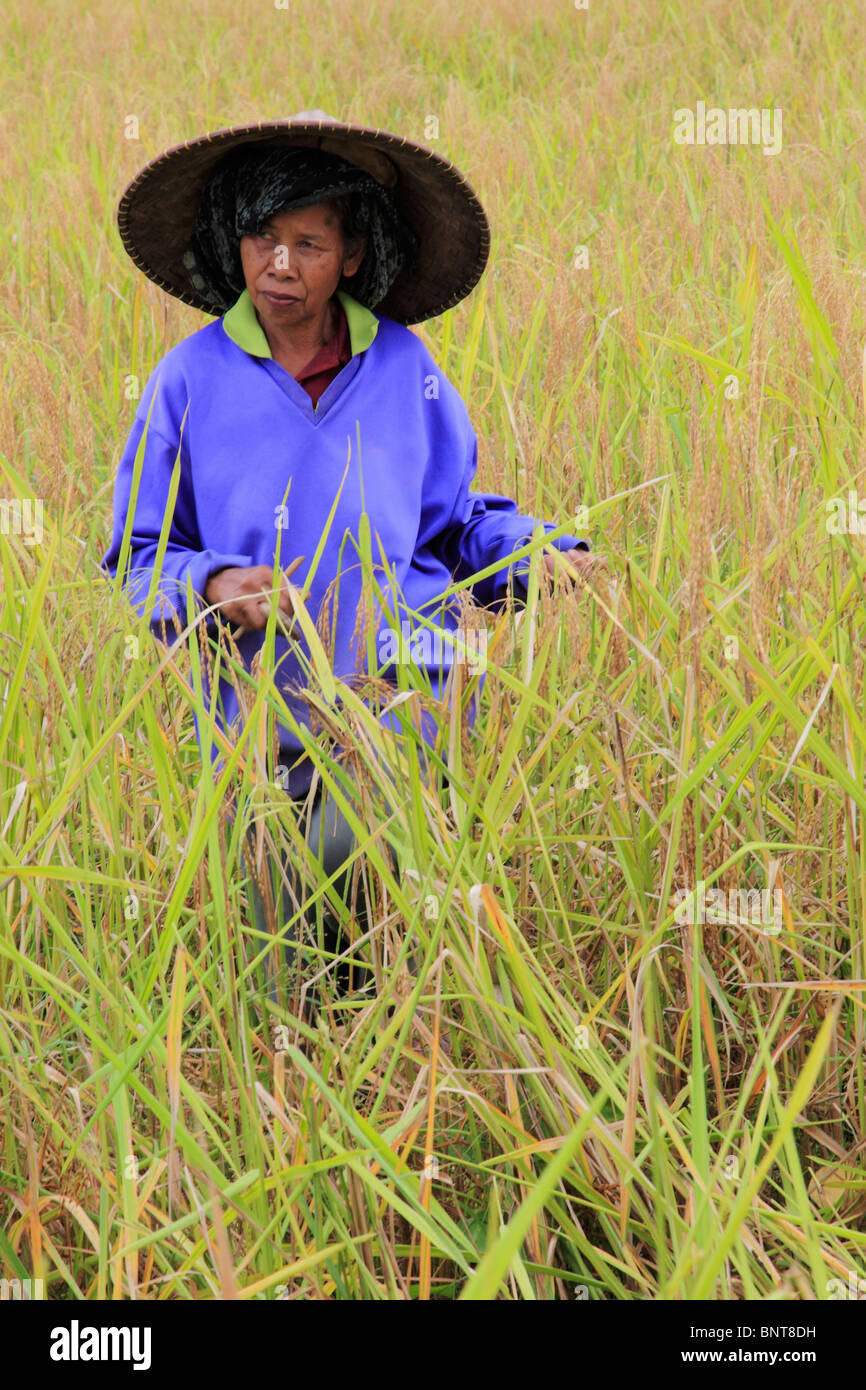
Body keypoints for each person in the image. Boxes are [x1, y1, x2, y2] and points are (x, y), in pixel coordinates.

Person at [101, 110, 594, 1018]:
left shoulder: (407, 370)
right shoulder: (187, 382)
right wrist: (211, 584)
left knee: (395, 963)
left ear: (355, 256)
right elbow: (137, 554)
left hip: (408, 710)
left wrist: (539, 555)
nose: (278, 265)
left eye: (307, 242)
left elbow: (449, 525)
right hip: (263, 729)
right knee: (288, 980)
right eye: (260, 237)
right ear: (233, 244)